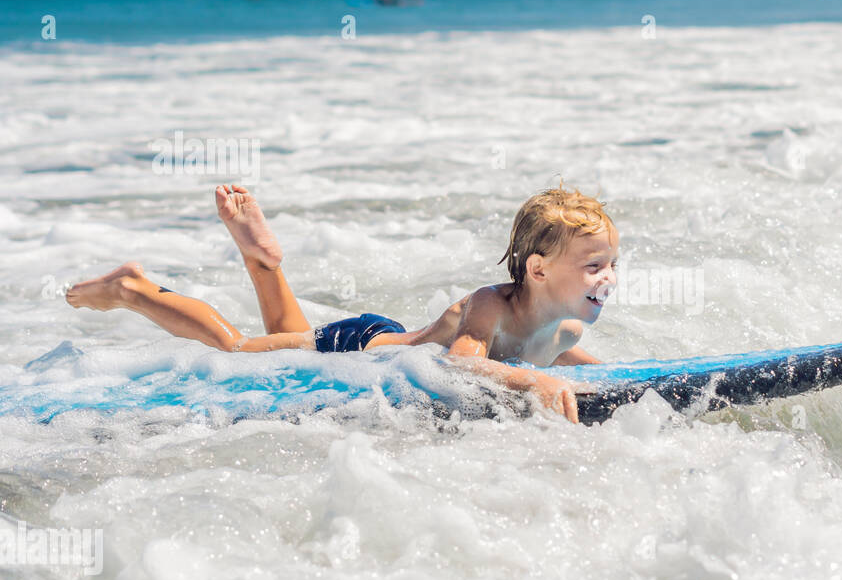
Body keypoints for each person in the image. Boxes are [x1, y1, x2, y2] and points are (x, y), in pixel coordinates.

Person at [65, 185, 619, 423]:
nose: (608, 278)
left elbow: (540, 351)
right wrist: (535, 383)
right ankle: (131, 288)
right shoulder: (488, 304)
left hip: (391, 341)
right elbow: (463, 363)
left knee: (287, 343)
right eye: (594, 266)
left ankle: (262, 260)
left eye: (612, 264)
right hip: (360, 342)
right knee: (236, 349)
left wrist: (615, 378)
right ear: (538, 270)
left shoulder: (563, 325)